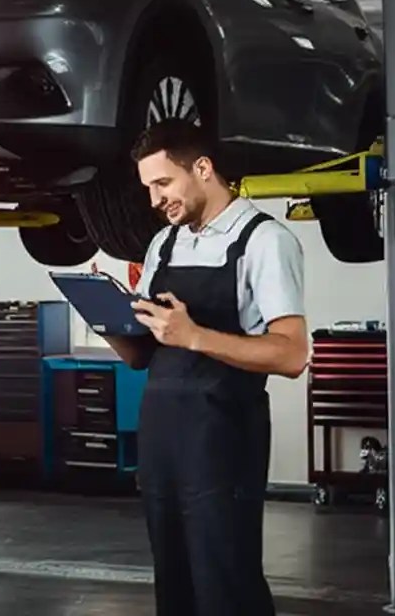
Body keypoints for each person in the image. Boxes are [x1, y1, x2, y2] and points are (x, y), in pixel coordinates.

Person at [101, 119, 310, 616]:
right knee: (173, 577)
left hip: (223, 435)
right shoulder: (164, 245)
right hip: (163, 433)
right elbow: (142, 354)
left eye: (163, 183)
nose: (154, 200)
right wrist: (108, 319)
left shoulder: (263, 241)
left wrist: (194, 335)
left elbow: (291, 354)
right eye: (148, 187)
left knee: (225, 576)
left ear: (203, 168)